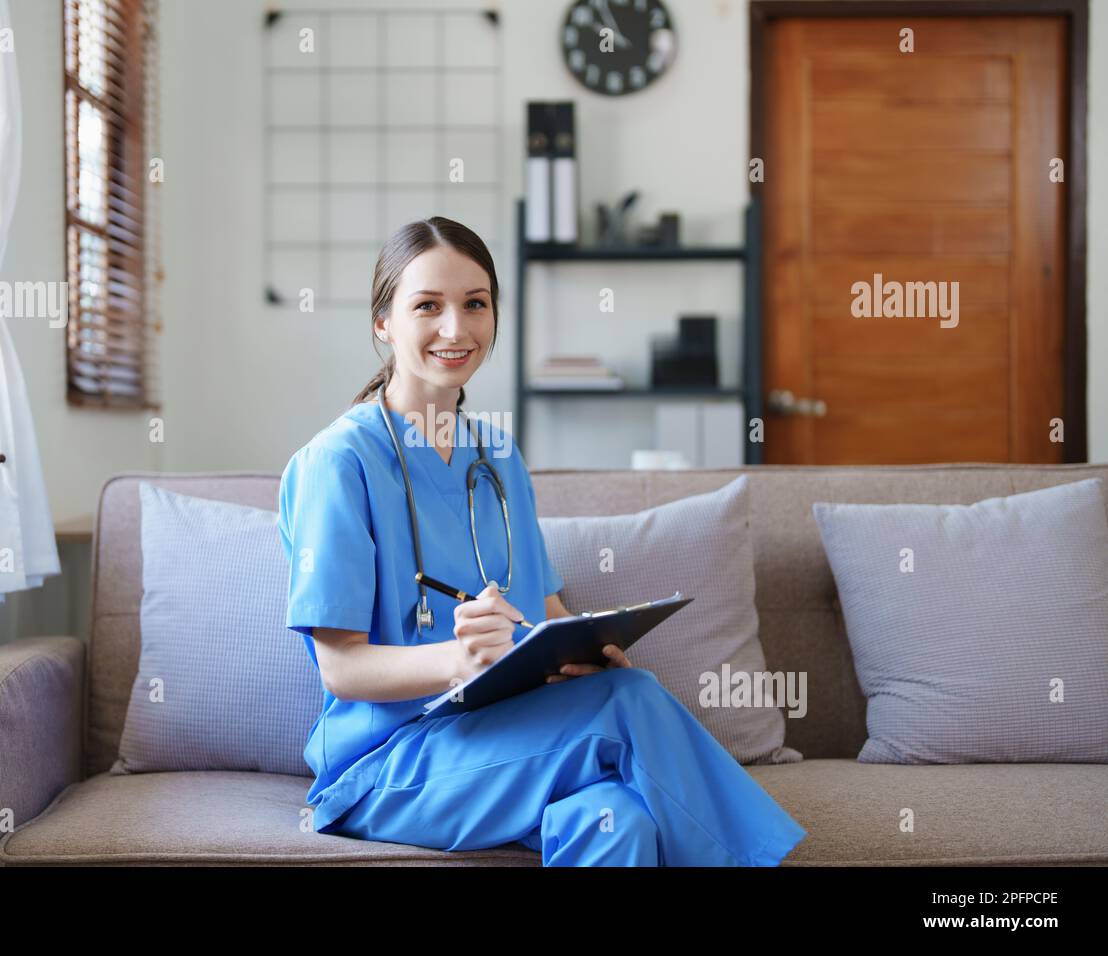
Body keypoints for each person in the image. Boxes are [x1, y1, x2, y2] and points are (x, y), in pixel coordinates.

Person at [276, 216, 807, 866]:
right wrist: (457, 661)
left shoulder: (496, 455)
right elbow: (341, 667)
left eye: (475, 303)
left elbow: (545, 613)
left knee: (618, 823)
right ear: (383, 322)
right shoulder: (339, 462)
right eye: (427, 306)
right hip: (390, 766)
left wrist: (582, 656)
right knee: (630, 702)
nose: (456, 328)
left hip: (511, 738)